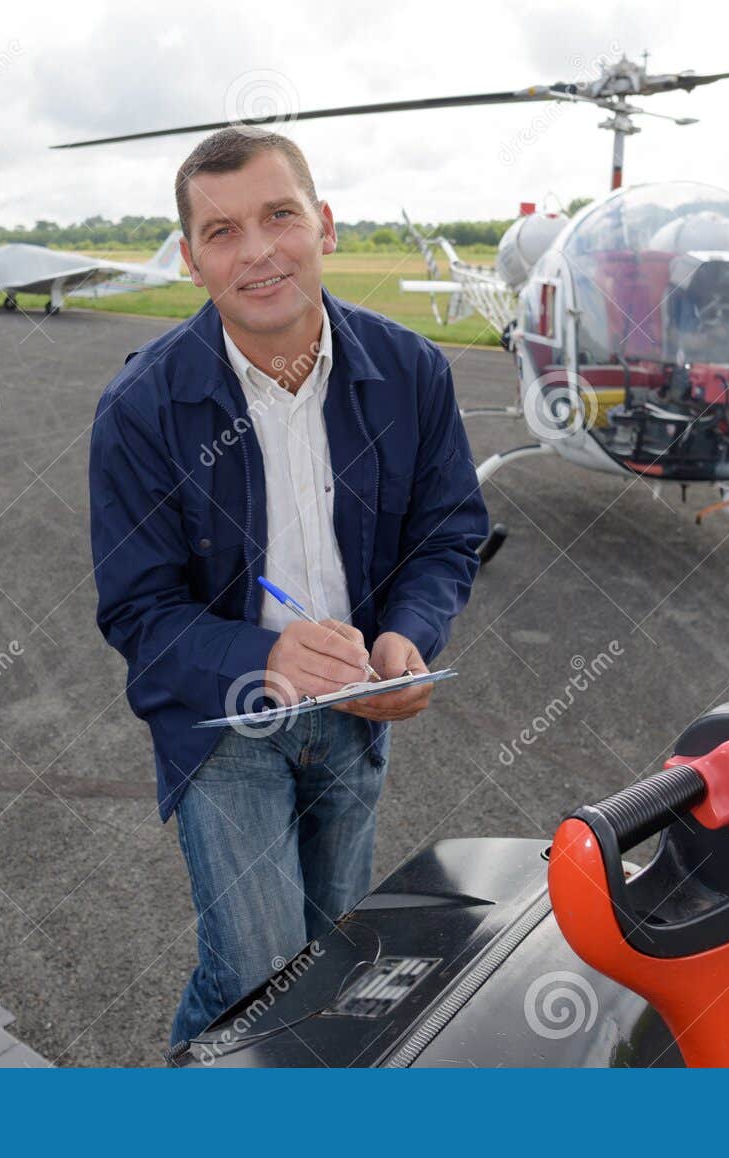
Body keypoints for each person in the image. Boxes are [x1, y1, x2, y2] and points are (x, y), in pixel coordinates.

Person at [87, 128, 488, 1051]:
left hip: (356, 712)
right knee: (254, 976)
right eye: (222, 232)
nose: (258, 249)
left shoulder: (413, 373)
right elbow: (138, 612)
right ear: (192, 263)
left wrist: (411, 634)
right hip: (222, 722)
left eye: (280, 216)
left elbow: (447, 534)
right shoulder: (142, 407)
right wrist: (263, 653)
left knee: (332, 959)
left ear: (326, 228)